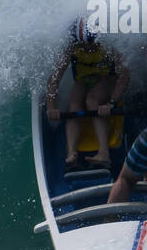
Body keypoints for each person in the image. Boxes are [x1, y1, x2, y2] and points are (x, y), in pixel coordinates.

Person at [46, 18, 130, 169]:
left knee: (92, 100)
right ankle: (71, 154)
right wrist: (51, 107)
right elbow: (54, 79)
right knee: (73, 103)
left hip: (106, 78)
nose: (87, 48)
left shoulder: (108, 46)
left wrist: (110, 103)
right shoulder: (72, 48)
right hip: (85, 80)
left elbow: (124, 76)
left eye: (90, 44)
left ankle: (104, 154)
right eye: (83, 45)